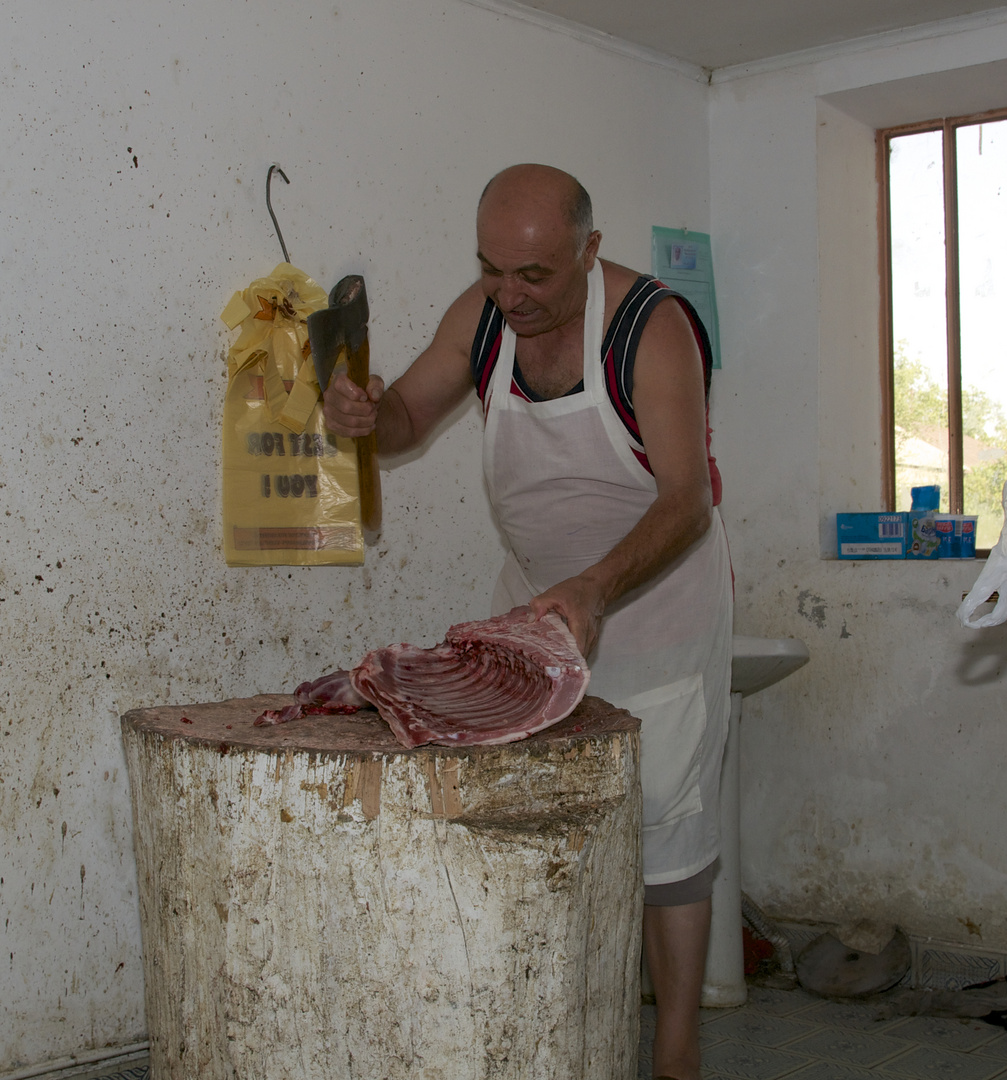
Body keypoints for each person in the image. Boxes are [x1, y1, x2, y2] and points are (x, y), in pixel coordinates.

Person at [323, 163, 732, 1080]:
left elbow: (686, 504)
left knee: (666, 834)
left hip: (657, 604)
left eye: (535, 276)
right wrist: (361, 414)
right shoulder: (482, 318)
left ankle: (676, 1054)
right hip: (540, 612)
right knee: (543, 818)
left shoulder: (650, 328)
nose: (510, 296)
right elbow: (403, 422)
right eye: (492, 269)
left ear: (590, 251)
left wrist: (598, 588)